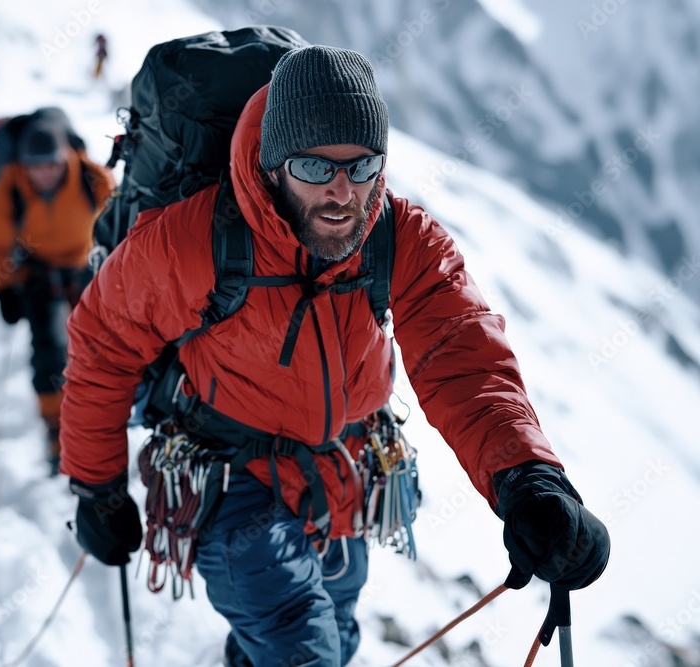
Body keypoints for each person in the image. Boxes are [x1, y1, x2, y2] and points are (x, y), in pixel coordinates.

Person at [60, 46, 610, 666]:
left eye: (363, 165)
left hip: (344, 474)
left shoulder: (398, 237)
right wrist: (98, 487)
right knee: (303, 648)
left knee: (331, 637)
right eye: (314, 167)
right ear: (273, 164)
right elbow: (103, 346)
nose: (343, 192)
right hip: (229, 475)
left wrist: (528, 478)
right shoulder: (193, 243)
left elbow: (463, 357)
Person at [0, 114, 114, 476]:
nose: (45, 172)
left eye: (52, 163)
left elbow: (119, 223)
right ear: (24, 164)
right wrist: (4, 288)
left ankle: (98, 424)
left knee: (99, 349)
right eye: (36, 166)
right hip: (39, 274)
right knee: (49, 354)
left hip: (86, 268)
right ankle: (57, 436)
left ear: (65, 156)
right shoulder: (12, 185)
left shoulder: (91, 177)